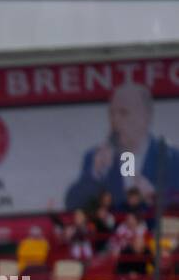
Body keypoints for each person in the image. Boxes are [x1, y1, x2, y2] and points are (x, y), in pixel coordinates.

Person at [65, 82, 179, 211]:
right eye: (112, 113)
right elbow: (73, 203)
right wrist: (95, 174)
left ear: (146, 116)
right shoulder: (94, 158)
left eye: (123, 113)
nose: (115, 120)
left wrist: (154, 196)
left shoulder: (171, 158)